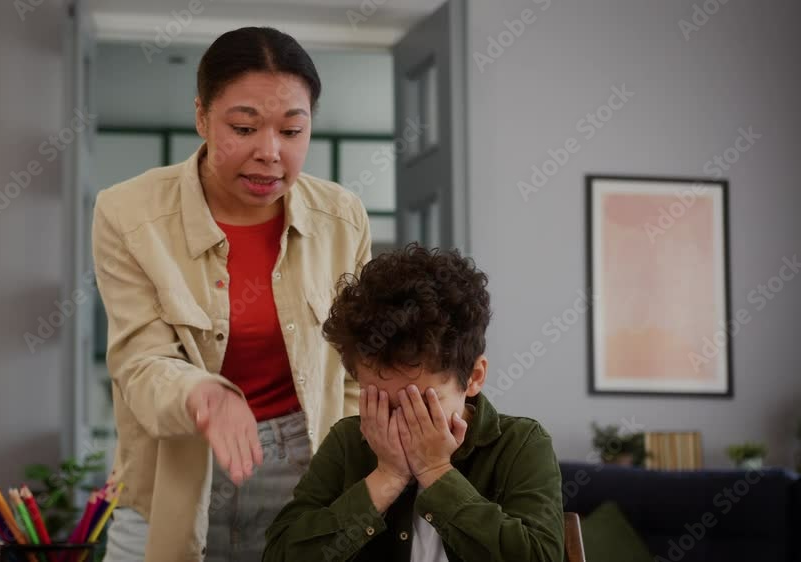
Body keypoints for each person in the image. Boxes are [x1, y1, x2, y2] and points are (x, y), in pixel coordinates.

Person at [91, 27, 372, 561]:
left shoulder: (342, 217)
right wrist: (205, 396)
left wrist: (357, 466)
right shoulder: (127, 213)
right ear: (201, 116)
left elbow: (359, 368)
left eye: (292, 131)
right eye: (244, 128)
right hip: (171, 469)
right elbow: (139, 362)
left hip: (307, 469)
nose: (270, 153)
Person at [263, 243, 565, 562]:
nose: (403, 423)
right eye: (381, 402)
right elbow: (280, 556)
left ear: (474, 377)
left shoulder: (521, 445)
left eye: (420, 403)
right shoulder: (348, 441)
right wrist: (387, 477)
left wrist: (435, 471)